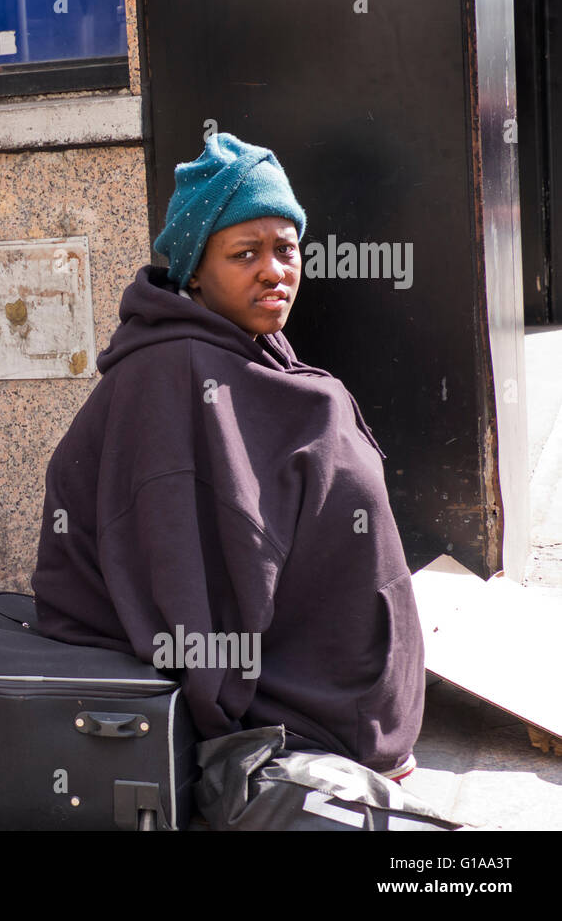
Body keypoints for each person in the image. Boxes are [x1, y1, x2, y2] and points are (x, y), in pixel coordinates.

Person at [31, 132, 423, 777]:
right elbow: (184, 571)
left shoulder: (251, 351)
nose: (275, 270)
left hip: (335, 704)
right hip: (263, 686)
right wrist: (221, 715)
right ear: (194, 273)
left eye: (286, 249)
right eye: (246, 254)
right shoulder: (173, 372)